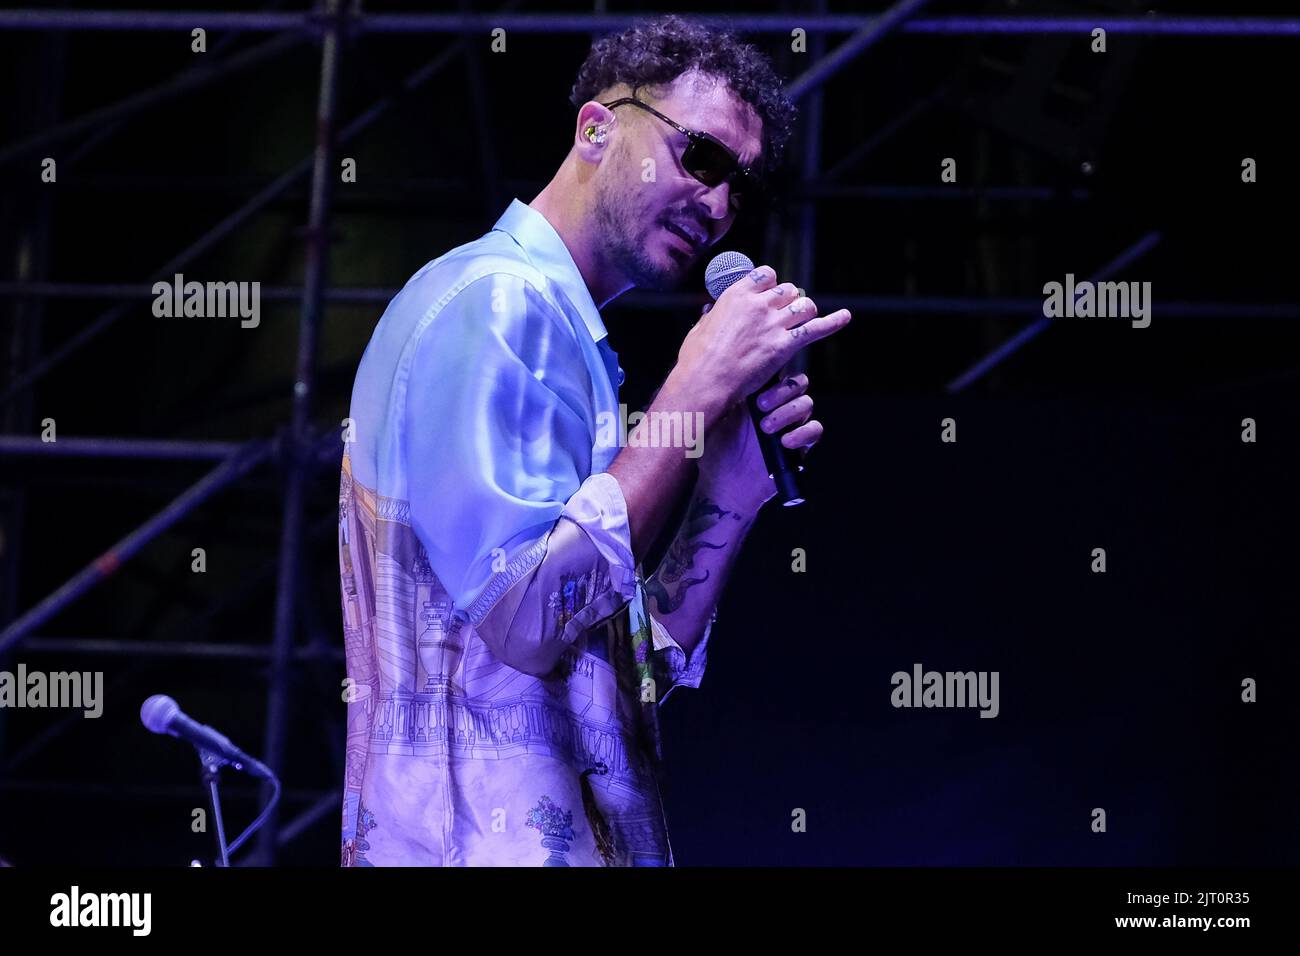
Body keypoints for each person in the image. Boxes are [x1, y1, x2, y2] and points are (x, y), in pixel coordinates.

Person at [338, 14, 851, 866]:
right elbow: (527, 617)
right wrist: (691, 388)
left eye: (742, 187)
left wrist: (727, 487)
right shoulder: (494, 303)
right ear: (597, 127)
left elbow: (616, 674)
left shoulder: (569, 344)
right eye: (702, 157)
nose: (721, 206)